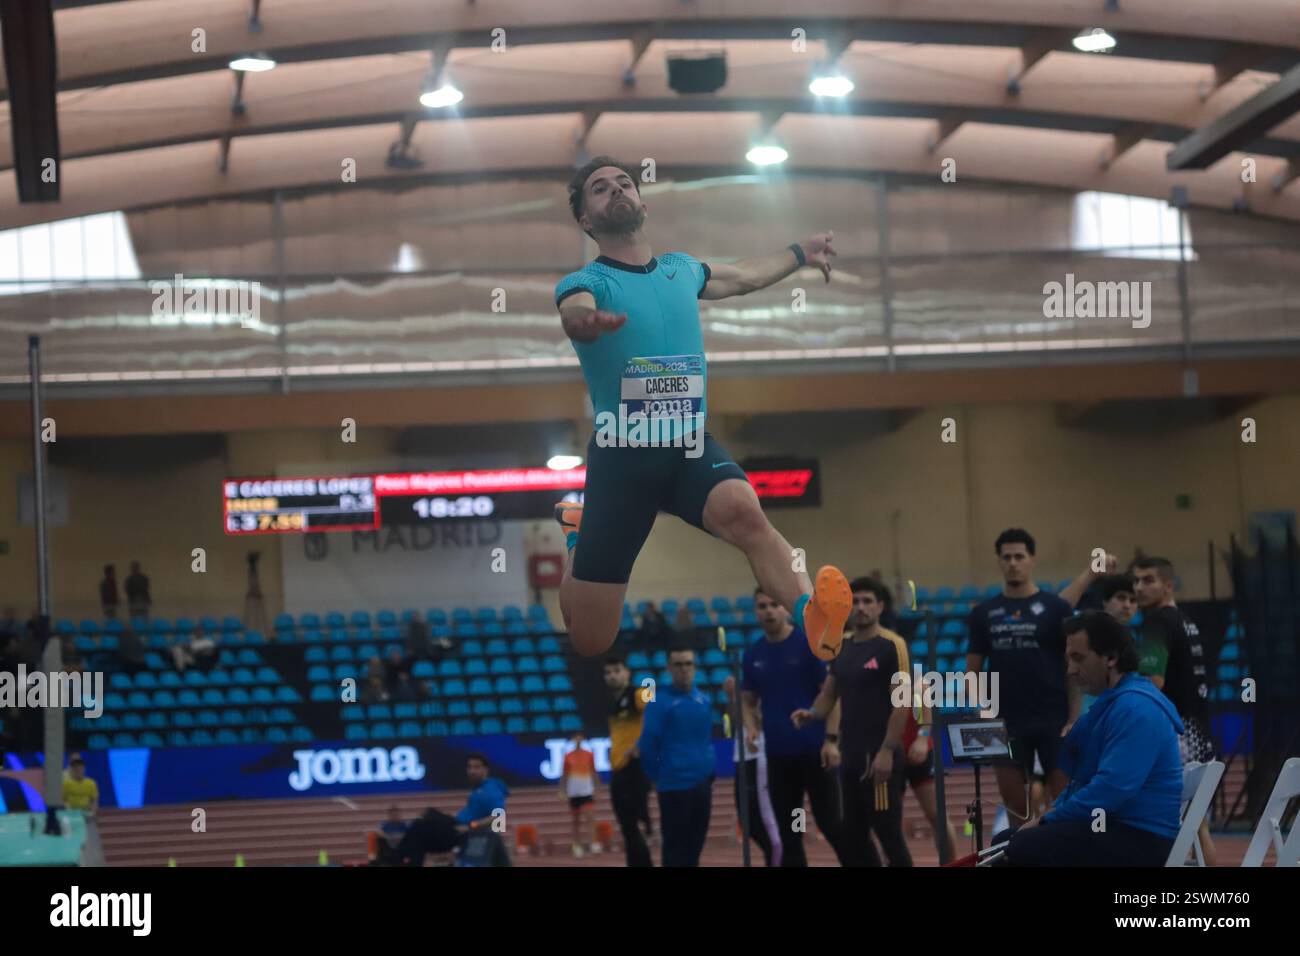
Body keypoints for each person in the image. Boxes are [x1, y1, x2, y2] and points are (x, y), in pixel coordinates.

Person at [552, 156, 852, 659]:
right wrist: (587, 324)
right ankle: (578, 538)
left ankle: (810, 615)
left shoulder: (681, 269)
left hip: (689, 445)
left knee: (745, 512)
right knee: (591, 639)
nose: (617, 190)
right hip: (622, 460)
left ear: (642, 202)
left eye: (625, 183)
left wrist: (800, 252)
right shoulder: (587, 282)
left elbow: (742, 276)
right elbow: (573, 312)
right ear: (586, 220)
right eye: (600, 189)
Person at [1005, 612, 1183, 866]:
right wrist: (1054, 813)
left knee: (1023, 845)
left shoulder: (1137, 710)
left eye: (1078, 659)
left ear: (1110, 657)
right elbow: (1083, 779)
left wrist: (1047, 820)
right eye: (1068, 659)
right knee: (1007, 840)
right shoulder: (1113, 704)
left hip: (1141, 838)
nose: (1070, 670)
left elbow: (1113, 788)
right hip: (1114, 825)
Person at [965, 528, 1078, 833]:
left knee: (1067, 805)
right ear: (998, 561)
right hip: (1004, 723)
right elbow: (972, 672)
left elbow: (1073, 669)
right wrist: (981, 719)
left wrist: (1074, 717)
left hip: (1053, 719)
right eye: (1007, 557)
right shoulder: (983, 613)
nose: (1013, 563)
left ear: (1032, 560)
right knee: (1016, 809)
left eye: (1019, 556)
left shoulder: (1057, 609)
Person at [794, 577, 912, 866]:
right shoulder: (841, 645)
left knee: (888, 834)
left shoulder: (892, 646)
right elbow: (830, 692)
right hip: (851, 757)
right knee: (853, 835)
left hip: (879, 758)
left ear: (880, 606)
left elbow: (902, 703)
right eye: (855, 602)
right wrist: (812, 714)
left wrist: (887, 750)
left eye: (867, 601)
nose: (860, 608)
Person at [740, 587, 846, 866]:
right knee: (789, 833)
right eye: (762, 606)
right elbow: (747, 701)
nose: (769, 611)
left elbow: (832, 697)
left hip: (816, 753)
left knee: (832, 824)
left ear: (785, 609)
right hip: (778, 757)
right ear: (756, 611)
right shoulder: (753, 655)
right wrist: (751, 726)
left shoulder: (808, 646)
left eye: (774, 604)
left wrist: (832, 741)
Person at [1131, 556, 1216, 866]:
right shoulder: (1185, 620)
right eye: (1136, 580)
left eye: (1148, 580)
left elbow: (1153, 683)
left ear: (1168, 585)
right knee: (1199, 826)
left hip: (1176, 738)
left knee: (1179, 830)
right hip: (1200, 735)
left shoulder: (1157, 623)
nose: (1139, 587)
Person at [638, 646, 716, 867]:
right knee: (675, 849)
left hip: (702, 784)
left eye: (688, 664)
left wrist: (709, 771)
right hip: (674, 786)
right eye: (679, 664)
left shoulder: (703, 700)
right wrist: (656, 776)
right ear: (669, 668)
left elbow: (704, 738)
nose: (684, 669)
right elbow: (648, 743)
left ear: (695, 667)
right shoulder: (658, 702)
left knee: (695, 846)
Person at [722, 675, 779, 866]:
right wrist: (732, 699)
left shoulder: (769, 691)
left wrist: (745, 705)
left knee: (765, 820)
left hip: (761, 759)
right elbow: (732, 721)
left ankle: (778, 854)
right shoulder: (743, 693)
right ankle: (775, 853)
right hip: (742, 759)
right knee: (747, 821)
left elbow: (763, 719)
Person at [603, 656, 654, 867]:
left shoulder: (637, 694)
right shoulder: (614, 702)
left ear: (627, 673)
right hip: (619, 770)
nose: (612, 676)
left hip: (633, 769)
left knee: (631, 826)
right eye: (608, 672)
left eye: (616, 670)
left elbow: (656, 706)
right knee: (628, 828)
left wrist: (640, 745)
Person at [560, 731, 601, 857]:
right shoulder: (568, 756)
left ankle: (593, 844)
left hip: (586, 790)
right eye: (575, 737)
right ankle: (577, 845)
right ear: (573, 739)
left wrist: (597, 787)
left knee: (590, 816)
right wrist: (562, 789)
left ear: (582, 738)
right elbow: (565, 775)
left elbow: (593, 771)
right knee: (576, 820)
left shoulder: (589, 755)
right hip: (574, 792)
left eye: (580, 737)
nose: (577, 739)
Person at [63, 756, 104, 866]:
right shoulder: (66, 784)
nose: (78, 770)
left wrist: (93, 813)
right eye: (75, 768)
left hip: (87, 819)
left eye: (80, 767)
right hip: (73, 819)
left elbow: (94, 799)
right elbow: (64, 800)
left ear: (84, 769)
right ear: (71, 770)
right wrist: (70, 812)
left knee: (90, 844)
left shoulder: (90, 783)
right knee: (75, 844)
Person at [456, 753, 509, 830]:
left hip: (479, 837)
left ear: (486, 769)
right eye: (469, 767)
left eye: (476, 767)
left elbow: (499, 816)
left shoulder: (491, 789)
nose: (472, 771)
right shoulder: (478, 789)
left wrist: (471, 826)